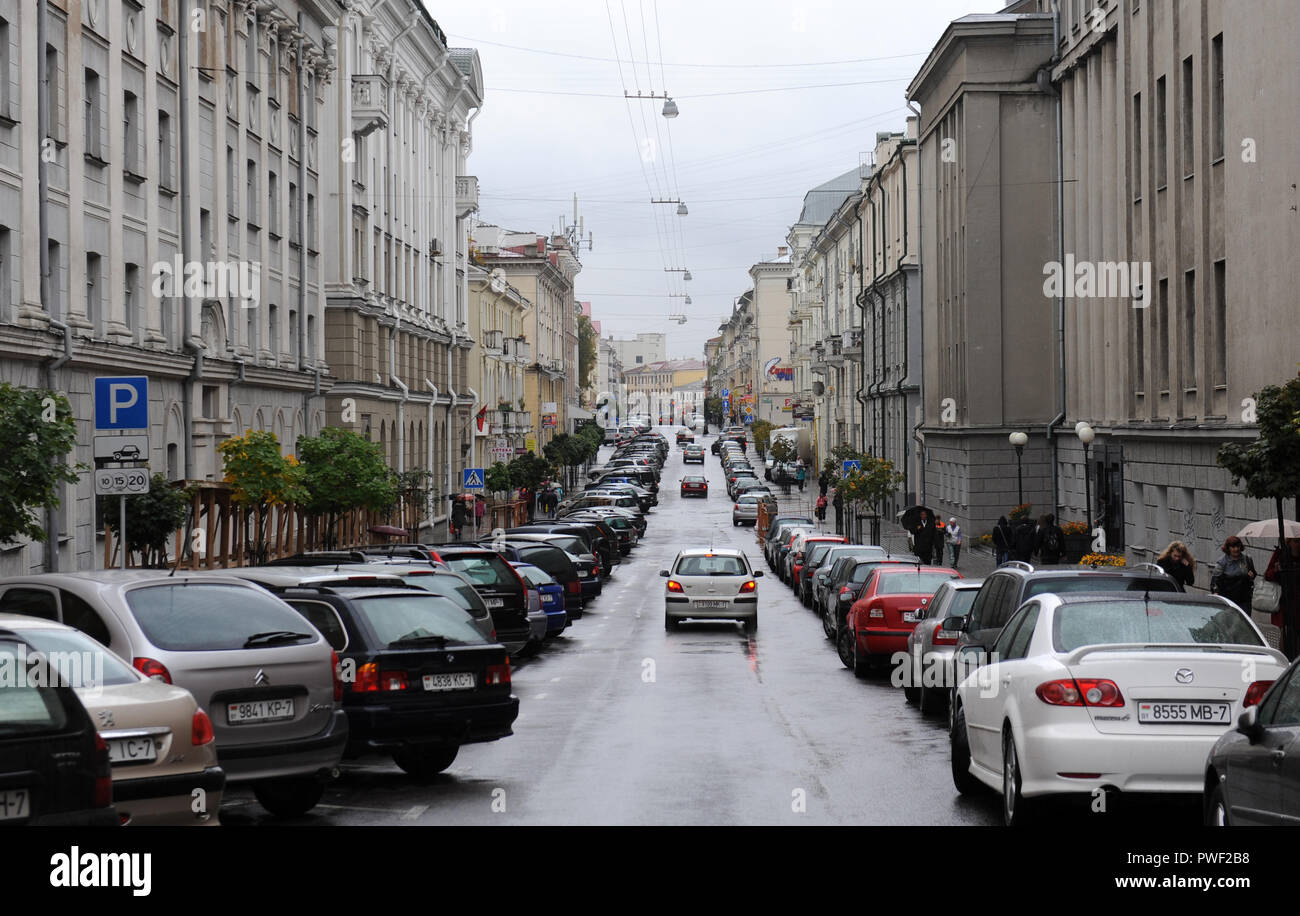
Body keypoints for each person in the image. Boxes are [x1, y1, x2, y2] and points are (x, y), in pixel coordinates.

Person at [1265, 538, 1300, 655]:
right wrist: (1276, 570)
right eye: (1296, 541)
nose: (1298, 544)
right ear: (1289, 542)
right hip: (1283, 601)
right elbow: (1267, 575)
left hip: (1297, 600)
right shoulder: (1280, 555)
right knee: (1283, 631)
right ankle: (1285, 659)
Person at [1210, 536, 1256, 610]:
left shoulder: (1247, 559)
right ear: (1228, 548)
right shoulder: (1222, 562)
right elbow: (1215, 580)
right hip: (1228, 599)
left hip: (1244, 600)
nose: (1236, 549)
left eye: (1238, 546)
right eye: (1233, 547)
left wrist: (1251, 576)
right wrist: (1216, 593)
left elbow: (1253, 574)